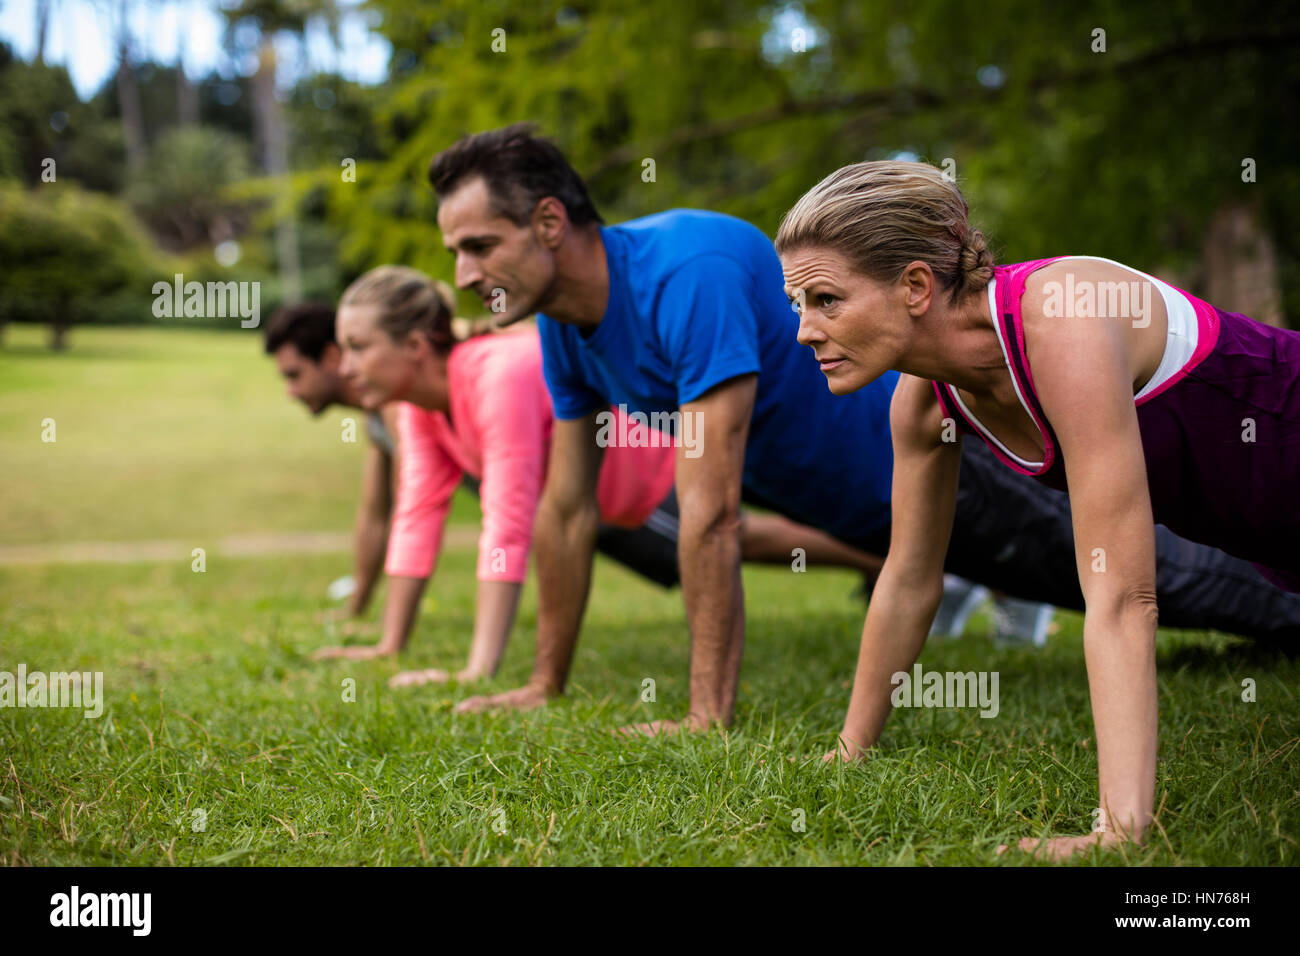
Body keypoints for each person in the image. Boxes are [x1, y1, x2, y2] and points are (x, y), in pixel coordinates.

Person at [429, 125, 1297, 738]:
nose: (463, 275)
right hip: (863, 502)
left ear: (548, 223)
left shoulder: (682, 273)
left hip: (961, 460)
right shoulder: (558, 326)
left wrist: (704, 715)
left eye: (477, 245)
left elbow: (711, 511)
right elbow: (565, 511)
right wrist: (545, 681)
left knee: (1187, 580)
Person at [773, 158, 1300, 859]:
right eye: (797, 305)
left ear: (916, 286)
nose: (805, 330)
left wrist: (1119, 830)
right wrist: (850, 748)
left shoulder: (1062, 322)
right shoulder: (925, 403)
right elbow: (907, 577)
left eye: (826, 300)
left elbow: (1121, 595)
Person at [314, 265, 887, 683]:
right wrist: (391, 643)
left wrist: (476, 670)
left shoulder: (495, 376)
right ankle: (892, 565)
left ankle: (893, 566)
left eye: (357, 347)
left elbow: (508, 523)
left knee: (745, 535)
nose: (345, 366)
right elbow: (416, 517)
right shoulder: (417, 406)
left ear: (414, 346)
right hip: (610, 499)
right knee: (748, 538)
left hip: (649, 464)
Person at [264, 302, 399, 624]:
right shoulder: (375, 420)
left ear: (330, 357)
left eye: (295, 375)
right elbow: (375, 515)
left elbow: (416, 512)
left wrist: (392, 637)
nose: (291, 392)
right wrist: (356, 609)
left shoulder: (395, 405)